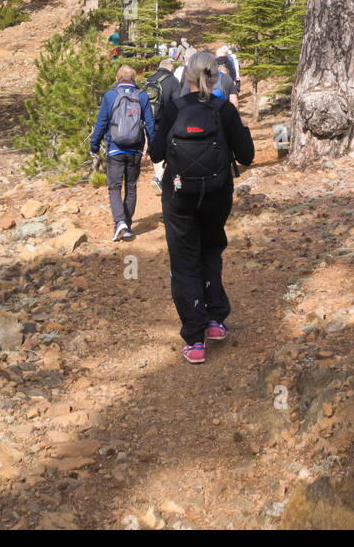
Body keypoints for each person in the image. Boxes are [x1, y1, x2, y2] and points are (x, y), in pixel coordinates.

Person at [150, 50, 254, 364]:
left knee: (184, 262)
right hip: (216, 193)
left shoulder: (176, 108)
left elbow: (155, 154)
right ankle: (215, 320)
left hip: (179, 195)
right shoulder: (224, 109)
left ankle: (194, 338)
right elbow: (246, 155)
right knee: (210, 250)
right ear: (214, 76)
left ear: (190, 77)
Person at [90, 65, 155, 242]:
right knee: (131, 187)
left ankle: (120, 222)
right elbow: (150, 124)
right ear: (133, 78)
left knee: (114, 187)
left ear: (118, 78)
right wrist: (152, 148)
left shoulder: (111, 95)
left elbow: (101, 123)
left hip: (115, 148)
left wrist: (94, 147)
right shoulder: (141, 96)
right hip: (135, 149)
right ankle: (127, 225)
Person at [142, 56, 179, 194]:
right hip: (166, 121)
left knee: (154, 147)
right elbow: (178, 102)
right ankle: (159, 178)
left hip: (150, 120)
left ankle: (158, 176)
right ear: (171, 69)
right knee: (167, 148)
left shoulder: (149, 79)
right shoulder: (173, 81)